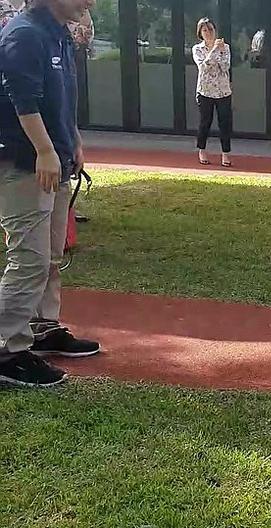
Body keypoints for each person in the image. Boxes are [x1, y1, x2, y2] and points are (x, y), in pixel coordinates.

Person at [0, 0, 100, 388]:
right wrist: (44, 149)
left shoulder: (58, 35)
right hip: (25, 162)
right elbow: (20, 98)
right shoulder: (24, 34)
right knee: (30, 259)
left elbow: (62, 97)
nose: (89, 1)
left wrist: (72, 139)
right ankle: (7, 349)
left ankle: (41, 328)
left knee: (51, 256)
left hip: (54, 160)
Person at [192, 17, 233, 167]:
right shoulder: (197, 49)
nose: (208, 33)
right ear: (200, 33)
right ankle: (202, 150)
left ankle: (226, 154)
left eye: (210, 29)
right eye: (204, 30)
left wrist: (220, 50)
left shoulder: (225, 47)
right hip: (205, 91)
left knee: (225, 124)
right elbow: (203, 67)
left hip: (223, 91)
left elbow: (225, 66)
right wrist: (214, 50)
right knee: (205, 122)